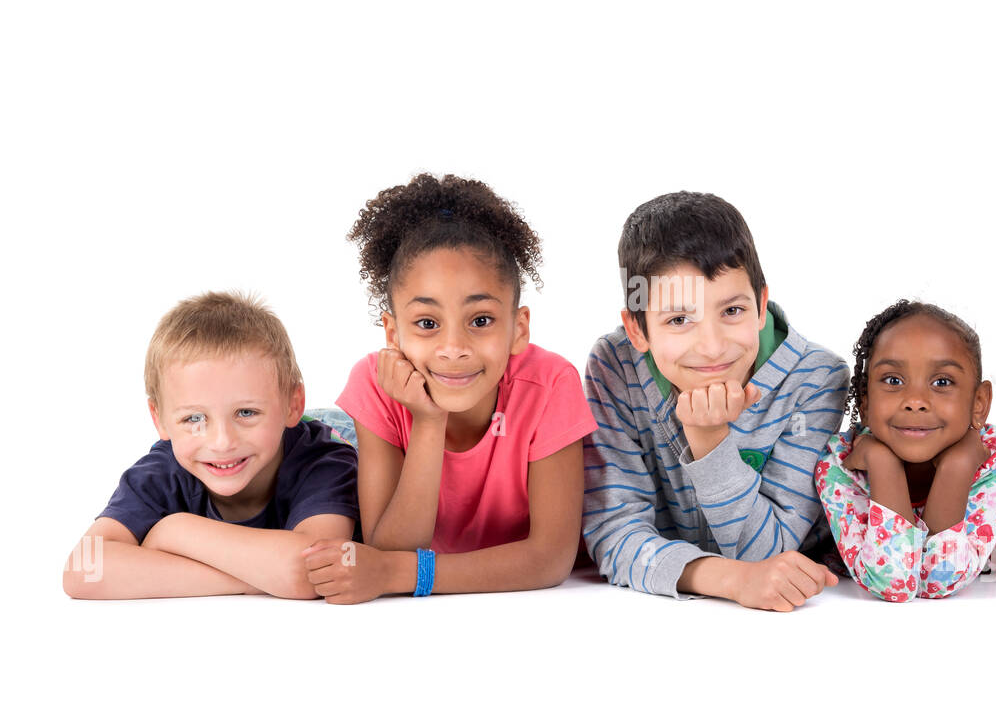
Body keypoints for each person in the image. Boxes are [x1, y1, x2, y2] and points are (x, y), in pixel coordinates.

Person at [302, 173, 596, 603]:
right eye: (426, 324)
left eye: (480, 320)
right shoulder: (374, 383)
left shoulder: (550, 385)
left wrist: (400, 573)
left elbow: (549, 559)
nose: (453, 348)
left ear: (519, 328)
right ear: (392, 332)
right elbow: (388, 547)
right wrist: (428, 419)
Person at [582, 191, 849, 610]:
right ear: (637, 329)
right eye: (678, 319)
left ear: (760, 306)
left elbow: (769, 555)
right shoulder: (616, 366)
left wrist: (710, 440)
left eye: (732, 311)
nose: (711, 347)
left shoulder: (815, 379)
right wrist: (728, 580)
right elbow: (614, 532)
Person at [62, 291, 359, 599]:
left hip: (346, 431)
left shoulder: (326, 459)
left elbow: (315, 572)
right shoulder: (163, 470)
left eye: (246, 413)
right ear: (159, 419)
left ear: (292, 404)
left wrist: (175, 531)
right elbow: (84, 569)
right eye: (194, 419)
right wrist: (257, 578)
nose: (222, 442)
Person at [815, 301, 996, 602]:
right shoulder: (840, 462)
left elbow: (938, 580)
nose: (915, 400)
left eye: (942, 382)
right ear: (865, 402)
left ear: (979, 404)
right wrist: (883, 464)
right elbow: (891, 582)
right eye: (893, 380)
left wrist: (958, 465)